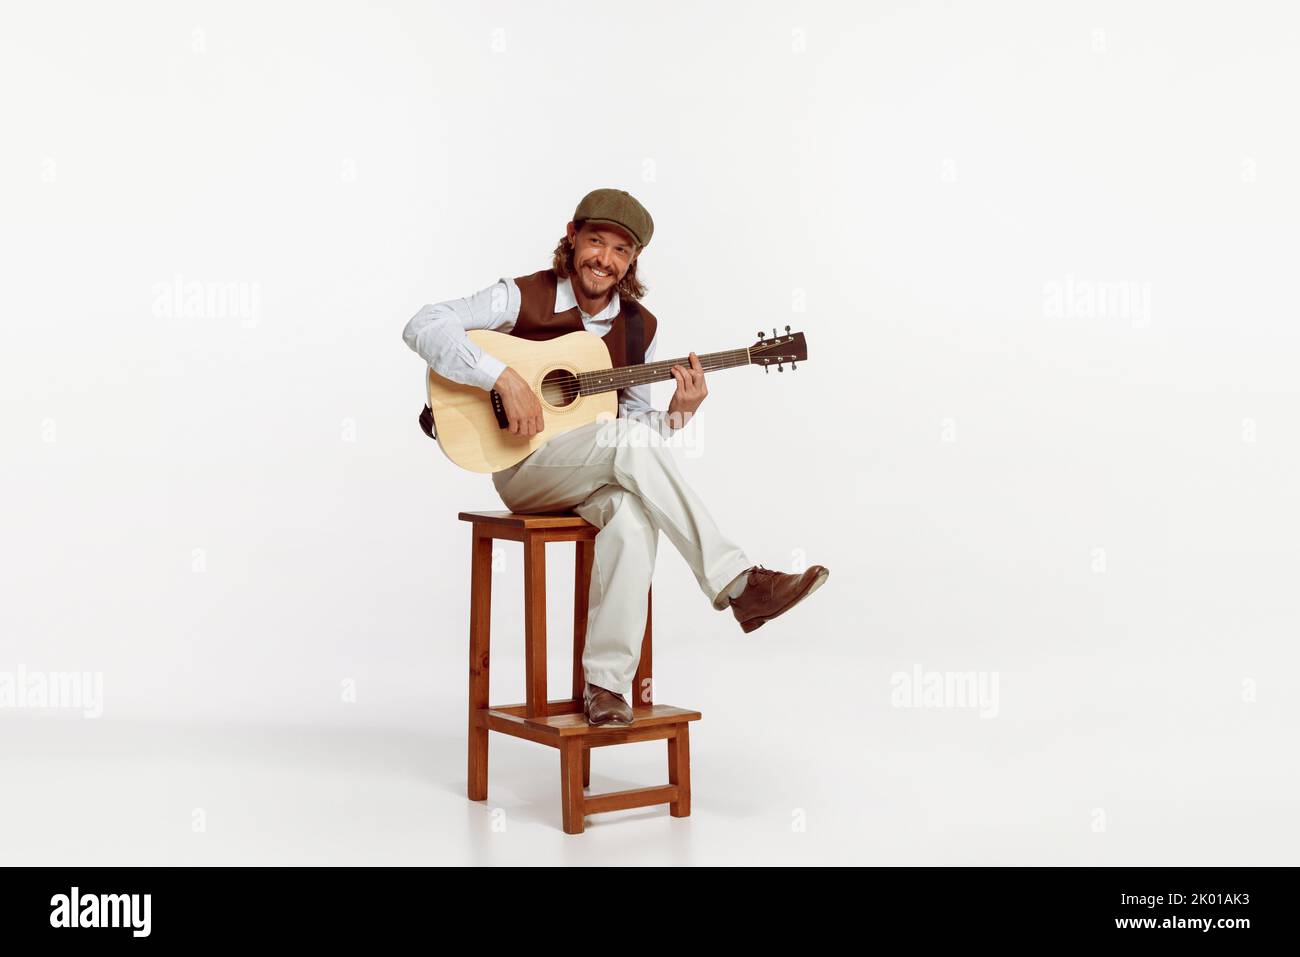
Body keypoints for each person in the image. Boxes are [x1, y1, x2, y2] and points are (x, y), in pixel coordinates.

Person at [403, 188, 829, 726]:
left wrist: (679, 413)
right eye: (595, 241)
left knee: (631, 516)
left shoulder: (638, 328)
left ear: (632, 261)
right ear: (572, 236)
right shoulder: (520, 296)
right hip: (521, 468)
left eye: (620, 250)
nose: (604, 258)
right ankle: (741, 584)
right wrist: (502, 378)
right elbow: (422, 323)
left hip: (590, 468)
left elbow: (636, 433)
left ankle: (605, 689)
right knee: (623, 446)